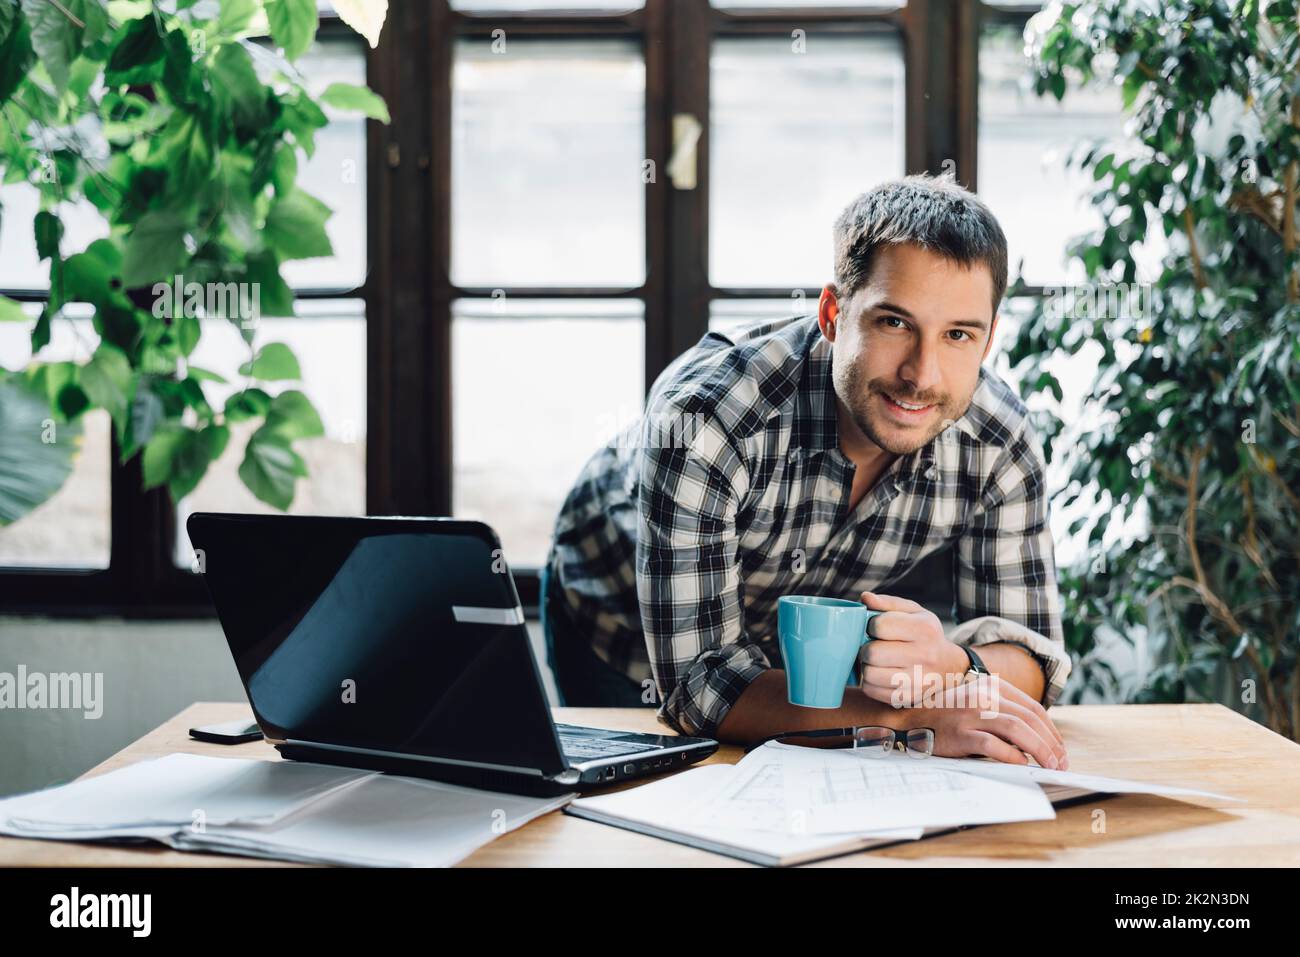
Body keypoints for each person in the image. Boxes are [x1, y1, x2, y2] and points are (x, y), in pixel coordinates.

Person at [543, 174, 1070, 769]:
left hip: (796, 660)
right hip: (622, 624)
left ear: (989, 339)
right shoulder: (708, 419)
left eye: (956, 335)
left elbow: (1032, 654)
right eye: (893, 323)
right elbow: (699, 689)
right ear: (832, 313)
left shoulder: (998, 438)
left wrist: (954, 666)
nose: (922, 375)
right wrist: (912, 721)